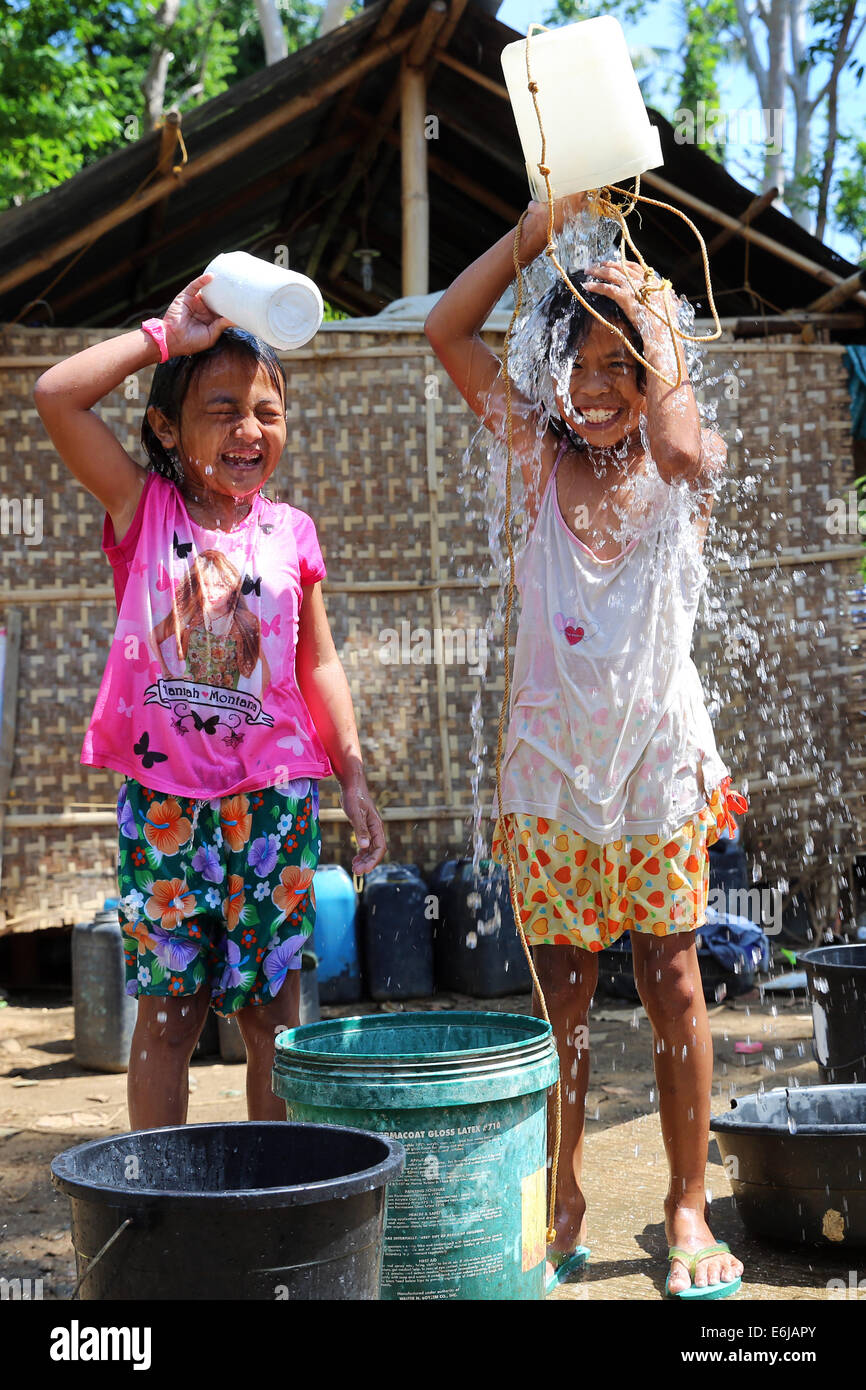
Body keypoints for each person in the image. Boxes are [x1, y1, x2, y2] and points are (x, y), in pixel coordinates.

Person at [425, 195, 747, 1300]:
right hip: (551, 779)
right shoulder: (530, 457)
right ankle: (562, 1194)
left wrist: (652, 320)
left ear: (657, 368)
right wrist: (537, 230)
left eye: (625, 364)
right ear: (551, 372)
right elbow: (444, 331)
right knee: (561, 998)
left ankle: (683, 1201)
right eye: (584, 362)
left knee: (671, 981)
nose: (602, 386)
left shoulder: (679, 457)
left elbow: (671, 437)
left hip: (656, 769)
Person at [34, 275, 386, 1128]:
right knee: (170, 1016)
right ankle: (160, 1210)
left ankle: (270, 1198)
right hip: (164, 806)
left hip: (273, 803)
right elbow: (56, 395)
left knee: (272, 1016)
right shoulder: (141, 507)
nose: (247, 430)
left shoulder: (291, 531)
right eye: (220, 408)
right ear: (165, 426)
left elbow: (321, 663)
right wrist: (166, 337)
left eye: (267, 411)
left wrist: (353, 774)